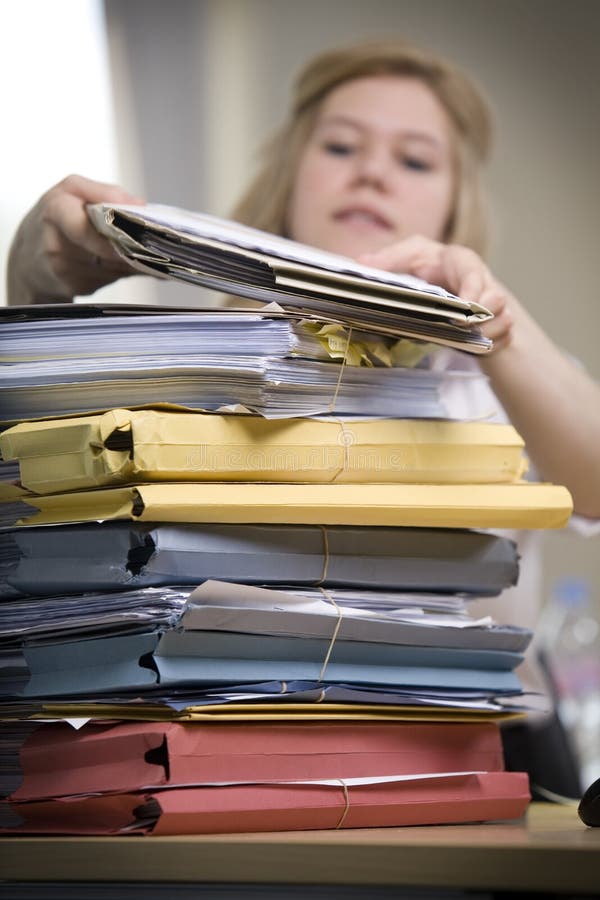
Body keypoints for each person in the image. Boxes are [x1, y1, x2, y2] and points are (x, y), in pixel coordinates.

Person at [6, 39, 600, 794]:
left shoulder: (493, 375)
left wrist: (498, 332)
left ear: (456, 204)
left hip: (479, 753)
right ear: (291, 175)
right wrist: (30, 271)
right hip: (228, 752)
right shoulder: (192, 362)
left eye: (415, 160)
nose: (372, 170)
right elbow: (41, 473)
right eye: (342, 145)